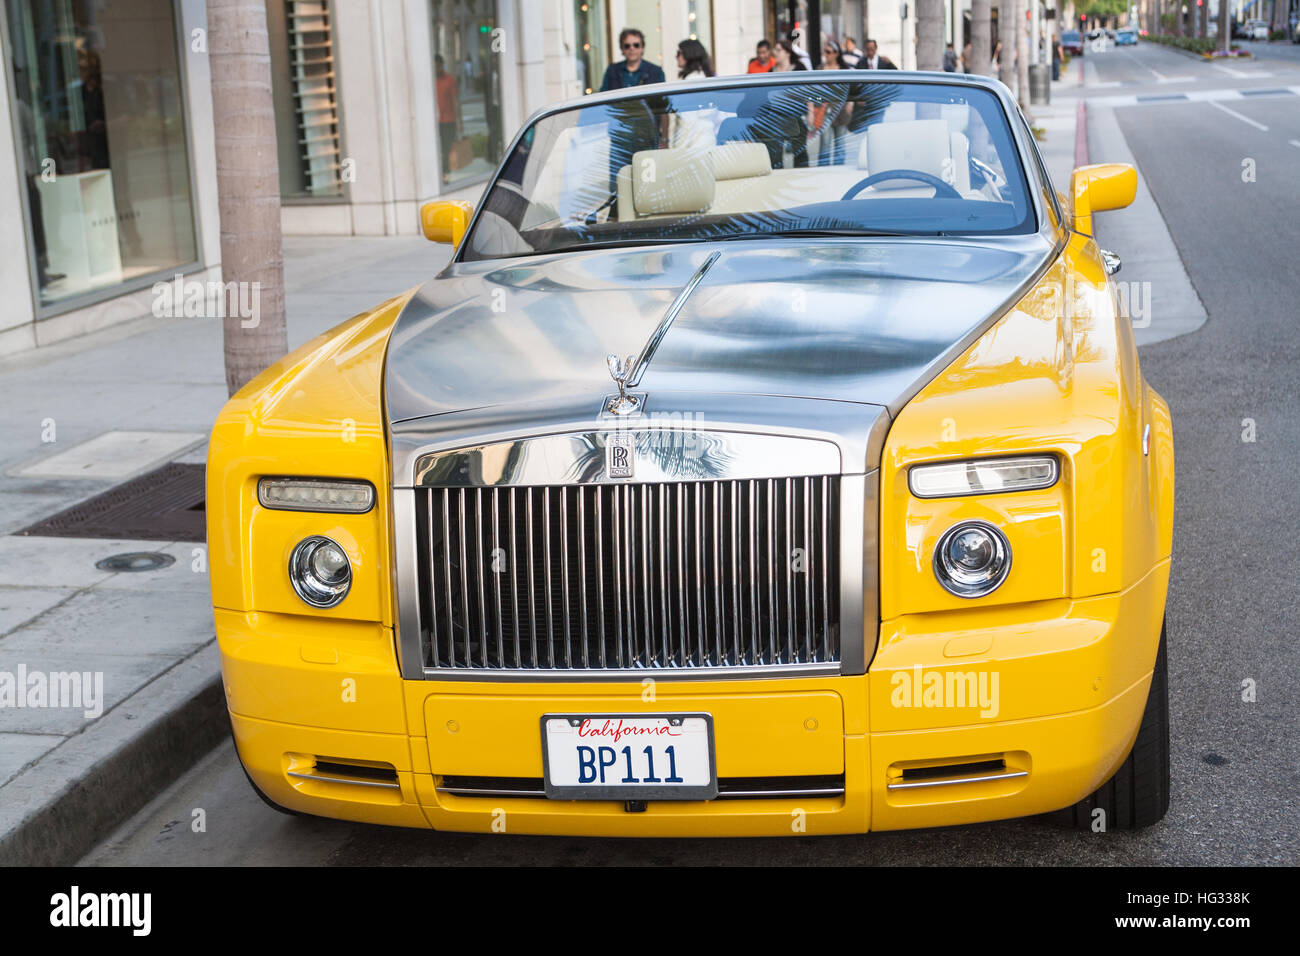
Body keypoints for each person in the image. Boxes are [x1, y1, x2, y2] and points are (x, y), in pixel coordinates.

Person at [599, 28, 666, 91]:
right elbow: (603, 96)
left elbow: (662, 99)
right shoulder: (612, 71)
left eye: (636, 45)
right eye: (627, 46)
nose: (632, 48)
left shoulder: (656, 72)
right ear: (622, 49)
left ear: (642, 47)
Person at [434, 55, 461, 184]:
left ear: (442, 65)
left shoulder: (450, 80)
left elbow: (456, 102)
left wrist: (459, 122)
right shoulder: (431, 81)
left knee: (446, 149)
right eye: (435, 66)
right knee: (437, 149)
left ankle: (445, 175)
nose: (436, 68)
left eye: (438, 65)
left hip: (448, 121)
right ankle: (441, 174)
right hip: (435, 122)